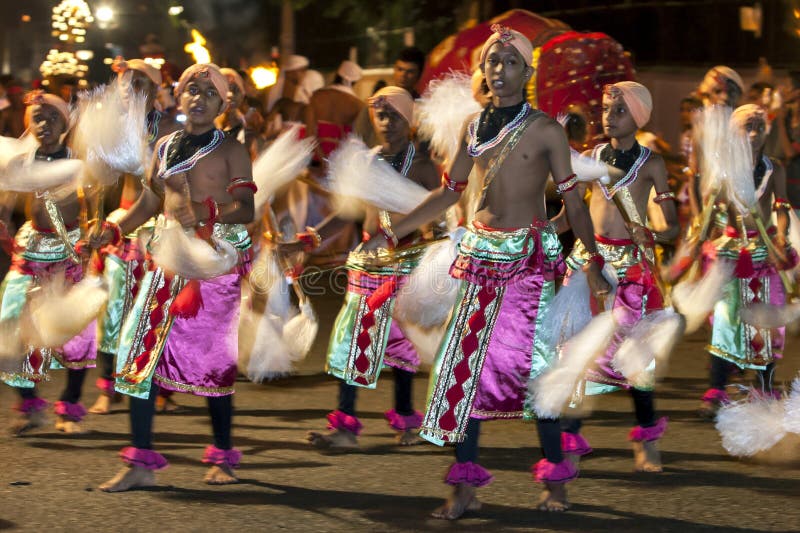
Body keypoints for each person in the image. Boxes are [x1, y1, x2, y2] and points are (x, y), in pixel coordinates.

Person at [363, 25, 608, 517]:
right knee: (462, 369)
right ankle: (465, 488)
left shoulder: (545, 130)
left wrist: (595, 261)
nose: (499, 71)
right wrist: (392, 230)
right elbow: (449, 191)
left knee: (537, 372)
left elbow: (574, 203)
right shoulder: (473, 128)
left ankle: (556, 479)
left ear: (528, 71)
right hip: (477, 258)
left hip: (528, 267)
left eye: (510, 62)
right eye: (492, 62)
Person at [92, 63, 256, 491]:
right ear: (179, 97)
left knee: (214, 364)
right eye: (190, 90)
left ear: (224, 104)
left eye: (209, 92)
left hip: (211, 270)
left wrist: (207, 212)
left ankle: (223, 455)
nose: (198, 97)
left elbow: (248, 209)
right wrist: (113, 229)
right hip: (164, 263)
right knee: (137, 353)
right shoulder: (164, 146)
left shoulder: (232, 151)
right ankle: (141, 459)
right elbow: (149, 203)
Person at [283, 87, 438, 448]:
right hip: (367, 266)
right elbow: (350, 213)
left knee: (402, 347)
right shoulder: (368, 162)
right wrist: (308, 240)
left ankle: (406, 422)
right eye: (381, 116)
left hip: (407, 265)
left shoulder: (425, 168)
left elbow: (438, 218)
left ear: (410, 121)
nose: (387, 123)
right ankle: (345, 428)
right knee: (352, 341)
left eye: (395, 116)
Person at [555, 82, 679, 472]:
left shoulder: (651, 164)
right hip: (588, 261)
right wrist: (538, 230)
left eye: (619, 110)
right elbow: (569, 214)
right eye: (606, 109)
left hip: (630, 268)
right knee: (574, 347)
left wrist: (655, 234)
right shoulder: (590, 158)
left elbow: (673, 227)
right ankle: (570, 435)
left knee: (635, 355)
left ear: (639, 117)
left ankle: (647, 440)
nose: (609, 116)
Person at [0, 91, 97, 435]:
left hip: (69, 250)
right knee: (10, 323)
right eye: (37, 118)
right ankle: (30, 405)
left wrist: (90, 239)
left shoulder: (79, 162)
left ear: (65, 124)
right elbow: (7, 199)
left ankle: (69, 406)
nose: (44, 124)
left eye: (52, 117)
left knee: (74, 333)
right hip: (30, 249)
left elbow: (96, 207)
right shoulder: (21, 163)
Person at [89, 57, 181, 415]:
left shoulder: (172, 128)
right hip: (124, 228)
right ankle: (108, 387)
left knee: (160, 311)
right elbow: (100, 183)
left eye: (141, 83)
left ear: (157, 89)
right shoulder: (114, 130)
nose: (131, 90)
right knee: (114, 311)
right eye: (127, 83)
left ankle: (160, 388)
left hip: (163, 232)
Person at [698, 104, 795, 417]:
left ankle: (764, 386)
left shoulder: (774, 168)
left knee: (765, 320)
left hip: (764, 251)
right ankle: (717, 387)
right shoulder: (723, 169)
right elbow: (711, 210)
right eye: (746, 127)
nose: (753, 133)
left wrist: (780, 236)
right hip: (730, 251)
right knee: (725, 319)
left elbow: (781, 207)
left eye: (758, 126)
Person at [304, 60, 365, 163]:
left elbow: (310, 134)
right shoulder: (358, 105)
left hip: (315, 159)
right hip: (339, 162)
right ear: (355, 81)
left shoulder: (317, 96)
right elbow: (358, 140)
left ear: (337, 74)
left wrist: (323, 161)